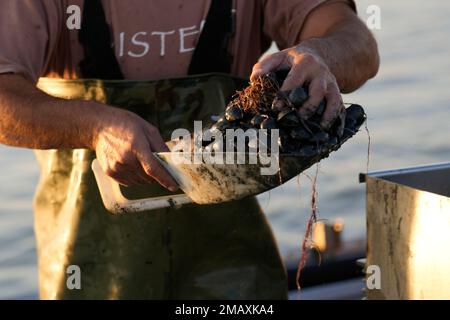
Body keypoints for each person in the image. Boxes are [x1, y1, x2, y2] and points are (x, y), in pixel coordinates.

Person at [0, 0, 379, 299]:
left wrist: (319, 53)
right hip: (91, 271)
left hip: (234, 271)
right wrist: (95, 125)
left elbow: (357, 43)